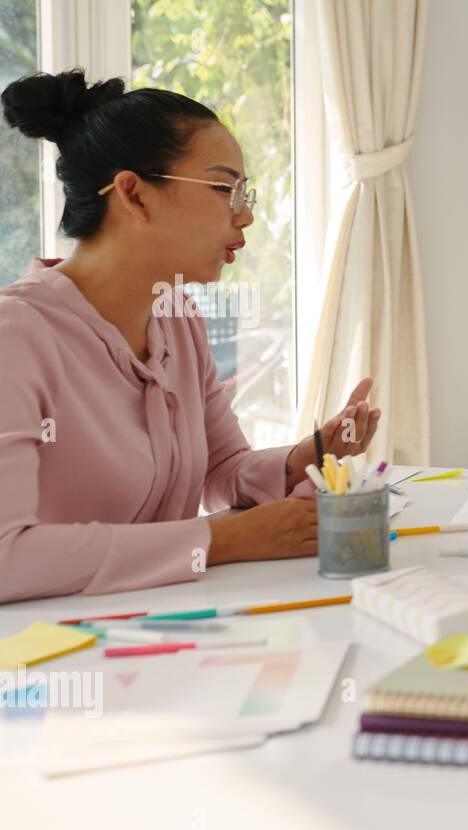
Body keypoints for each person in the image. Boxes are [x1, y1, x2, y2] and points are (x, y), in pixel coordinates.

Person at [0, 69, 380, 602]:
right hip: (50, 657)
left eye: (245, 193)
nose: (245, 216)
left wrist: (308, 454)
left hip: (165, 628)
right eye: (225, 189)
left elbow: (222, 470)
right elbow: (7, 558)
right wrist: (220, 540)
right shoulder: (15, 336)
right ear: (133, 193)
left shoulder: (176, 316)